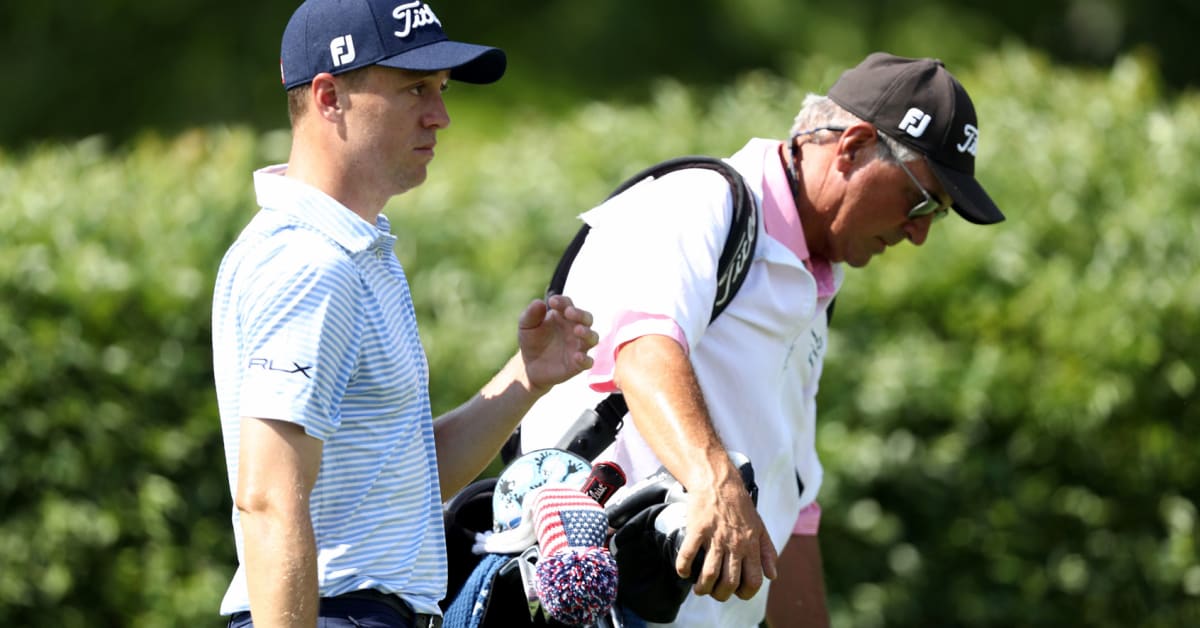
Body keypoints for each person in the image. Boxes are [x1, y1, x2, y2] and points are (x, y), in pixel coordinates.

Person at [516, 52, 1006, 627]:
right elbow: (643, 352)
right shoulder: (698, 201)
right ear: (852, 147)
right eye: (921, 201)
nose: (919, 233)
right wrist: (714, 479)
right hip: (588, 601)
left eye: (936, 215)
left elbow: (790, 503)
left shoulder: (816, 281)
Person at [210, 1, 598, 626]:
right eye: (416, 88)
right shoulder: (310, 263)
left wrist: (526, 378)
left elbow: (406, 477)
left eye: (442, 89)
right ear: (329, 97)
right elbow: (268, 499)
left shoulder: (353, 251)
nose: (440, 115)